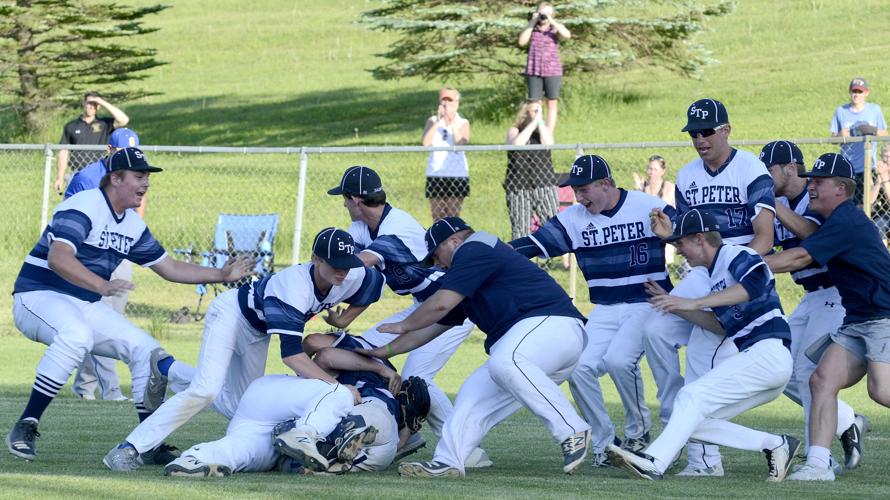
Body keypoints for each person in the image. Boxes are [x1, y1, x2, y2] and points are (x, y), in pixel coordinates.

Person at [5, 147, 253, 463]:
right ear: (115, 178)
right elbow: (58, 258)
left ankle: (145, 444)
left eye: (147, 176)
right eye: (139, 176)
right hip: (38, 296)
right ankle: (26, 424)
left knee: (147, 354)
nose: (145, 183)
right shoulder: (85, 205)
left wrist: (220, 274)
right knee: (76, 335)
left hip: (84, 304)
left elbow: (170, 268)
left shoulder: (131, 224)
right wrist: (101, 285)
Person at [103, 227, 385, 471]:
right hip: (232, 315)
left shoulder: (352, 274)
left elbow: (375, 287)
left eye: (347, 263)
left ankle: (167, 368)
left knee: (242, 406)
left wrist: (346, 318)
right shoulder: (293, 287)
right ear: (315, 259)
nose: (342, 270)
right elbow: (292, 357)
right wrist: (337, 388)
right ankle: (129, 448)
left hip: (256, 331)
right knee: (205, 390)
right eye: (335, 263)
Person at [360, 217, 591, 478]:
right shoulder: (468, 272)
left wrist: (404, 324)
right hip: (532, 343)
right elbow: (434, 326)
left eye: (436, 255)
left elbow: (439, 305)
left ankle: (572, 429)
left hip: (553, 326)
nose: (436, 263)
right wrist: (386, 351)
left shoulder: (475, 246)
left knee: (504, 362)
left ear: (454, 241)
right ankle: (449, 461)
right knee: (472, 395)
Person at [607, 209, 798, 482]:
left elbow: (755, 284)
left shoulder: (734, 253)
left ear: (699, 239)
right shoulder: (714, 275)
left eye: (680, 242)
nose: (678, 250)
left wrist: (694, 302)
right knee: (690, 419)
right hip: (762, 362)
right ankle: (774, 444)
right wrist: (675, 305)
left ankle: (654, 463)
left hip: (768, 353)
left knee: (689, 398)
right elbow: (720, 327)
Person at [510, 154, 673, 466]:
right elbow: (533, 244)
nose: (579, 197)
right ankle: (604, 443)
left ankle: (638, 434)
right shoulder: (573, 218)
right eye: (575, 191)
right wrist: (490, 251)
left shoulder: (645, 205)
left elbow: (689, 232)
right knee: (578, 365)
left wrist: (671, 231)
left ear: (606, 184)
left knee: (618, 360)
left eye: (585, 189)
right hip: (606, 307)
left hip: (647, 302)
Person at [643, 98, 777, 476]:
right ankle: (675, 418)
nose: (700, 139)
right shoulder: (686, 175)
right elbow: (688, 239)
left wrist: (731, 268)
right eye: (693, 133)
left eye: (706, 131)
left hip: (742, 267)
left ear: (726, 129)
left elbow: (765, 239)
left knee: (725, 352)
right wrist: (670, 238)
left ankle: (703, 458)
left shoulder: (752, 169)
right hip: (703, 271)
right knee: (655, 328)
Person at [326, 166, 487, 467]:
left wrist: (321, 278)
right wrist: (345, 317)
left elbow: (358, 264)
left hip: (451, 307)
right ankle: (403, 428)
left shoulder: (397, 227)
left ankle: (465, 448)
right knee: (355, 347)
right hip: (422, 306)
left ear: (357, 200)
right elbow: (365, 280)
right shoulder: (362, 228)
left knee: (417, 375)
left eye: (345, 199)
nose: (344, 205)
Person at [763, 153, 890, 481]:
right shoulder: (836, 220)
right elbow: (804, 238)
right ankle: (819, 465)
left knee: (882, 392)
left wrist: (747, 261)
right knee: (821, 380)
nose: (812, 186)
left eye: (819, 182)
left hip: (883, 318)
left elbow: (801, 256)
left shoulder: (846, 220)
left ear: (842, 189)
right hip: (858, 319)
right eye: (812, 180)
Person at [161, 374, 375, 477]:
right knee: (340, 393)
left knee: (243, 450)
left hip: (268, 416)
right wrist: (380, 368)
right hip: (280, 394)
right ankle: (304, 434)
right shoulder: (359, 347)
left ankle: (193, 460)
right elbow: (317, 347)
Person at [66, 128, 142, 403]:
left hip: (119, 257)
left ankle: (84, 389)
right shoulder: (88, 177)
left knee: (111, 322)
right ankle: (111, 390)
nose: (129, 157)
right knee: (102, 323)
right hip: (90, 261)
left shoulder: (132, 177)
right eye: (122, 152)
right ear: (109, 151)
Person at [504, 99, 559, 240]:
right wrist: (533, 123)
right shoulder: (514, 130)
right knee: (520, 229)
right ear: (525, 112)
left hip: (544, 184)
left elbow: (549, 144)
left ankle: (550, 261)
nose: (538, 113)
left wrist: (539, 123)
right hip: (518, 186)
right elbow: (516, 144)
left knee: (552, 226)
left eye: (540, 110)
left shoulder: (543, 130)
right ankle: (521, 261)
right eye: (535, 110)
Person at [55, 92, 130, 195]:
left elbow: (123, 120)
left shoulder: (104, 124)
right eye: (89, 103)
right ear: (83, 103)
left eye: (95, 104)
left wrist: (102, 102)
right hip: (78, 173)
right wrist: (59, 178)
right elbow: (63, 152)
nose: (91, 106)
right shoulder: (71, 126)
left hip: (99, 173)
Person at [830, 77, 888, 205]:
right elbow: (833, 139)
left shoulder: (874, 110)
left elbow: (885, 135)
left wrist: (872, 129)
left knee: (867, 204)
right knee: (848, 204)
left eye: (860, 92)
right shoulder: (841, 111)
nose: (856, 95)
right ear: (849, 92)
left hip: (868, 166)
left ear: (866, 93)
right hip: (847, 168)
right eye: (854, 91)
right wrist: (842, 134)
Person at [518, 2, 571, 132]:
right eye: (543, 13)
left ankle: (549, 134)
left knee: (552, 102)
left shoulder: (555, 28)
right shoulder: (532, 28)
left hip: (552, 70)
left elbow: (567, 35)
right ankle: (536, 132)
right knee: (534, 104)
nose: (544, 16)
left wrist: (552, 21)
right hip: (534, 69)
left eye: (548, 13)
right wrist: (533, 21)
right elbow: (522, 41)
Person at [421, 88, 471, 219]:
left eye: (450, 100)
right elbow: (426, 143)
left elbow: (460, 143)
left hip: (457, 174)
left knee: (453, 216)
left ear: (457, 103)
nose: (447, 104)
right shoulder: (432, 121)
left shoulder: (463, 122)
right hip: (435, 173)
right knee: (437, 215)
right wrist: (439, 121)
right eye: (444, 100)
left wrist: (451, 120)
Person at [634, 155, 677, 263]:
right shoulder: (642, 187)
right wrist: (638, 191)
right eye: (649, 168)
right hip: (646, 229)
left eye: (655, 169)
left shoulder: (670, 188)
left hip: (665, 227)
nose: (651, 172)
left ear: (662, 171)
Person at [869, 145, 890, 240]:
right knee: (879, 223)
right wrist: (878, 182)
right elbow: (869, 201)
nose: (887, 160)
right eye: (885, 156)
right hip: (882, 214)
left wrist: (885, 180)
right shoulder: (875, 174)